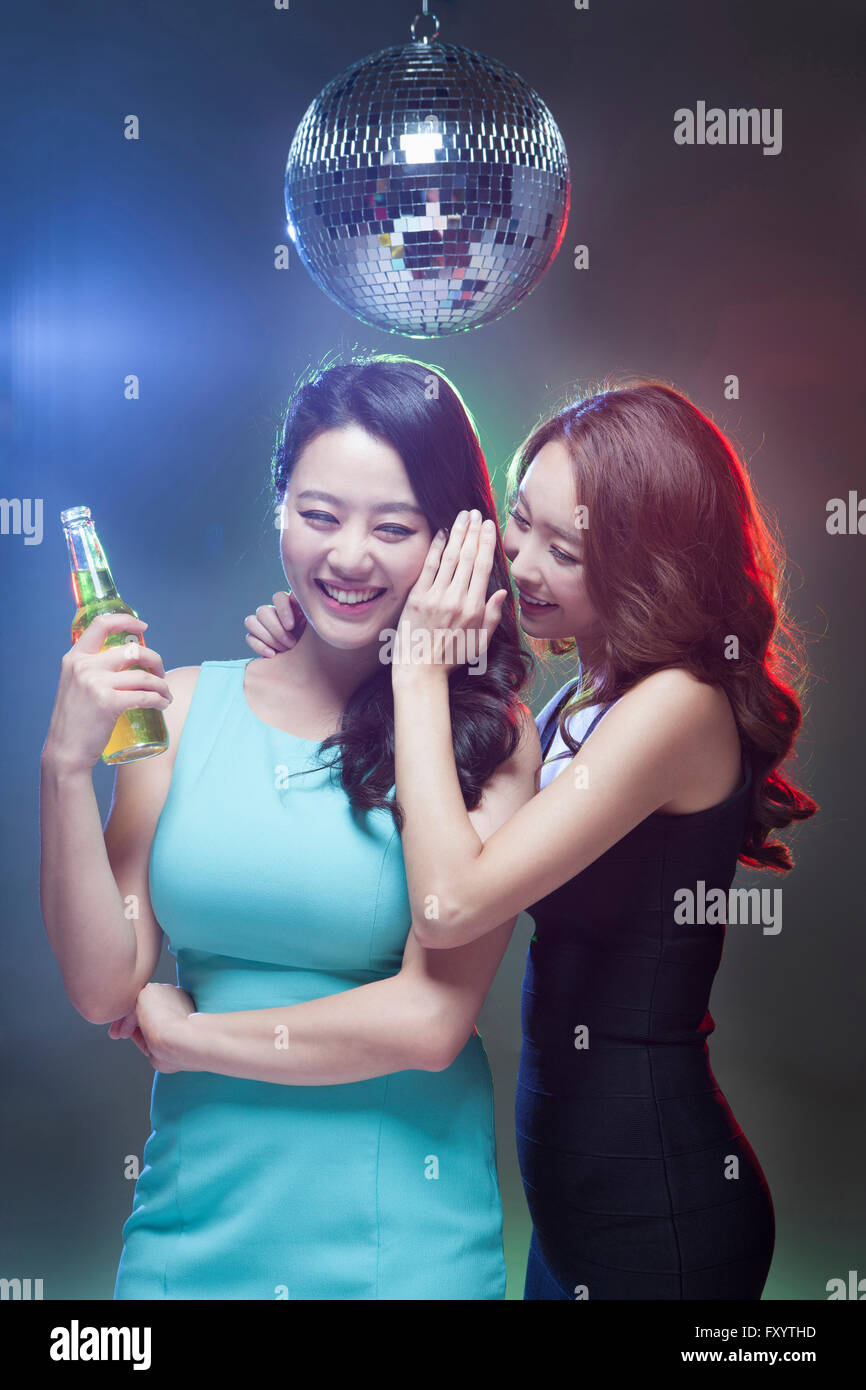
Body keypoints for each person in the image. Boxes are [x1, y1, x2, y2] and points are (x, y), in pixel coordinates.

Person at [246, 376, 818, 1299]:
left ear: (652, 561)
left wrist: (420, 673)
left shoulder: (677, 705)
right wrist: (321, 660)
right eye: (520, 523)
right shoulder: (583, 698)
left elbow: (452, 902)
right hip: (571, 1214)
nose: (525, 565)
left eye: (569, 550)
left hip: (660, 1218)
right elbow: (437, 789)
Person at [39, 354, 541, 1300]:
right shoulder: (181, 711)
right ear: (278, 506)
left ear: (453, 543)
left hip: (399, 1249)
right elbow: (104, 982)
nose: (349, 557)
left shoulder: (488, 742)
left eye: (394, 527)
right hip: (187, 1234)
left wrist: (192, 1040)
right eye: (318, 516)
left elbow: (432, 1023)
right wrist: (65, 766)